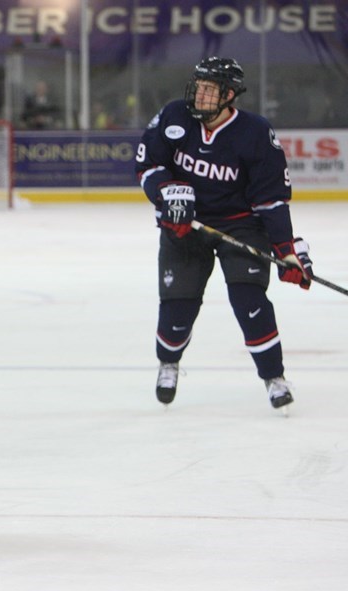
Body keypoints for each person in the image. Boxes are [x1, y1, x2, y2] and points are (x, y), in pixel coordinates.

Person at [135, 56, 313, 411]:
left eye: (208, 89)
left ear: (229, 95)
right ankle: (168, 363)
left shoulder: (255, 132)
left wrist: (286, 250)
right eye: (198, 86)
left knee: (250, 301)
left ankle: (274, 378)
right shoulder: (174, 115)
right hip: (186, 225)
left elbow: (271, 199)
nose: (198, 94)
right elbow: (148, 165)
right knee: (177, 308)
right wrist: (168, 195)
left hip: (241, 225)